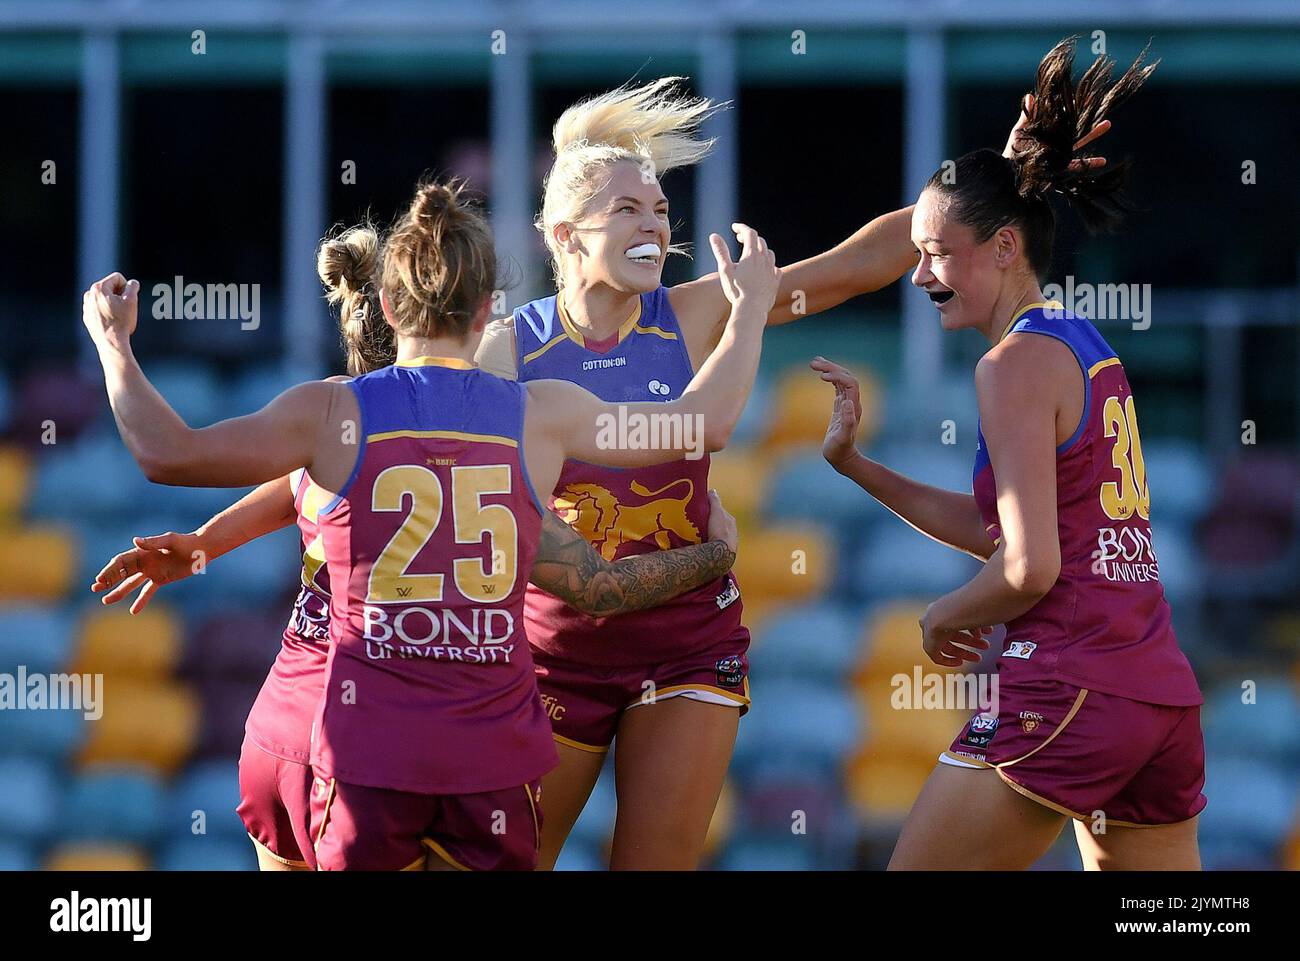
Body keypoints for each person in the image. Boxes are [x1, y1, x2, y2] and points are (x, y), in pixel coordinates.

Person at [473, 76, 1111, 870]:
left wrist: (992, 188)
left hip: (687, 641)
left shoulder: (700, 310)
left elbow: (852, 267)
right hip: (556, 645)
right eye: (628, 210)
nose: (654, 224)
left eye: (662, 209)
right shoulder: (508, 351)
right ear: (566, 235)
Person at [80, 177, 779, 870]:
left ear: (385, 303)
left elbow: (169, 452)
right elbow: (702, 425)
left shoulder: (335, 414)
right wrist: (746, 313)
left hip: (359, 746)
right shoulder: (539, 413)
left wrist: (115, 346)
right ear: (487, 315)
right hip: (482, 757)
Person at [815, 38, 1205, 870]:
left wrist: (942, 615)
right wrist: (857, 465)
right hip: (1157, 696)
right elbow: (1009, 530)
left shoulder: (1011, 364)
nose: (919, 276)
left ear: (1003, 248)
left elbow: (1029, 571)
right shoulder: (1082, 344)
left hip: (1071, 684)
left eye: (935, 252)